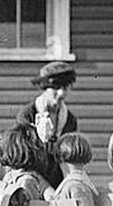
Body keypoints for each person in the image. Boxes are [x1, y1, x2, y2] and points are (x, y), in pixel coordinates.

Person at [15, 61, 79, 189]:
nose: (61, 93)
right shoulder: (27, 115)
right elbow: (23, 161)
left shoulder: (70, 120)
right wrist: (45, 189)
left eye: (65, 88)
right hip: (31, 183)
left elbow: (68, 160)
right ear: (45, 87)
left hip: (59, 185)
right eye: (56, 88)